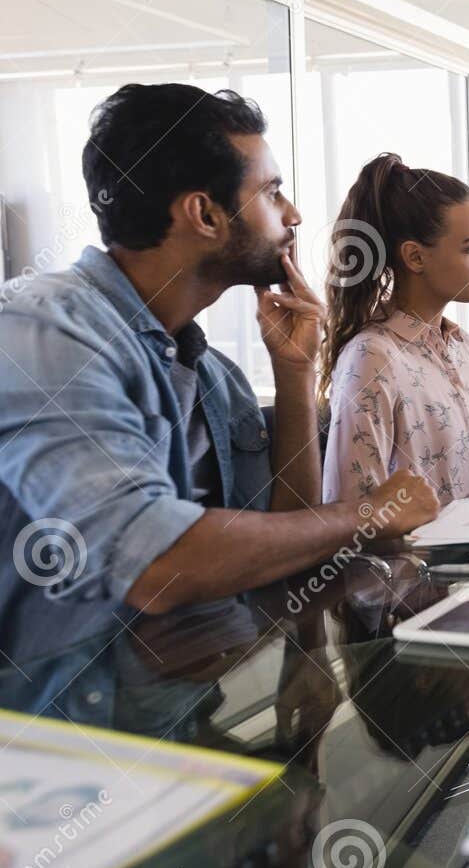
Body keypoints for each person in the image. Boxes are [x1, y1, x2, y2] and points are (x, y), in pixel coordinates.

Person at [0, 84, 439, 665]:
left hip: (179, 721)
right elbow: (156, 562)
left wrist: (295, 373)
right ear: (204, 214)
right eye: (272, 192)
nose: (294, 215)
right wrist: (366, 513)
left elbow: (289, 542)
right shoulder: (43, 333)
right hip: (56, 736)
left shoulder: (210, 373)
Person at [321, 154, 469, 505]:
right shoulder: (371, 357)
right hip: (414, 560)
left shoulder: (462, 345)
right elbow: (348, 513)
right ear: (415, 257)